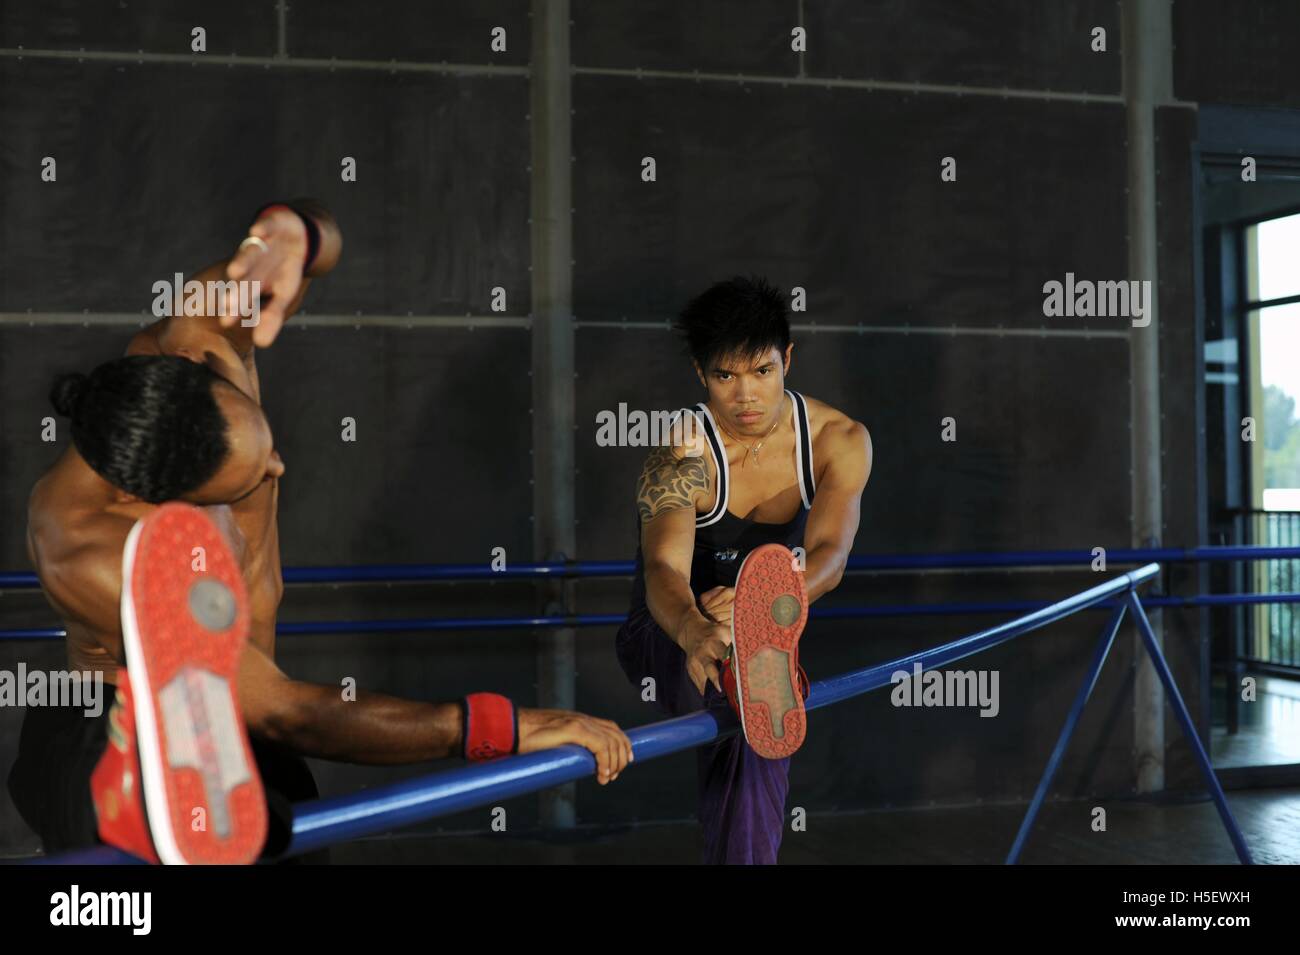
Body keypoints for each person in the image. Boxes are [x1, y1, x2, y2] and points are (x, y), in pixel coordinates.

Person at [9, 200, 632, 863]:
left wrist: (297, 236)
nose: (277, 465)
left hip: (245, 734)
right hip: (124, 742)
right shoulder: (91, 548)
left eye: (266, 446)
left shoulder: (199, 344)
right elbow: (288, 710)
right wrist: (505, 725)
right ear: (157, 497)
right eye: (249, 477)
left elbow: (308, 249)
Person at [615, 275, 872, 864]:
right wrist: (698, 628)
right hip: (664, 630)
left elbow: (830, 558)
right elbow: (663, 570)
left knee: (753, 720)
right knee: (749, 685)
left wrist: (763, 603)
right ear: (700, 374)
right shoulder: (682, 450)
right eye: (725, 376)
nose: (745, 395)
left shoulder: (840, 439)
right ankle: (747, 663)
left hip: (761, 627)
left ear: (788, 358)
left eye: (761, 371)